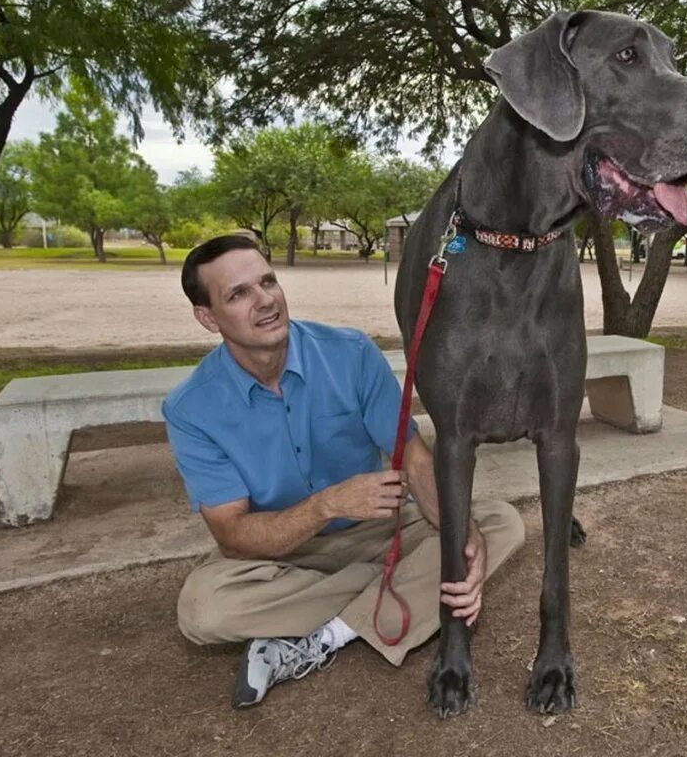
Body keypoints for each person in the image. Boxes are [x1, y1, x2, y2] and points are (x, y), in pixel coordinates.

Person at [162, 234, 525, 708]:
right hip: (282, 556)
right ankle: (400, 590)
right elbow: (233, 536)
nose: (265, 300)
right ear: (207, 317)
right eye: (238, 294)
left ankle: (323, 636)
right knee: (202, 609)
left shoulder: (350, 353)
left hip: (381, 529)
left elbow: (413, 460)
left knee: (499, 524)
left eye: (267, 281)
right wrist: (328, 503)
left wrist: (461, 532)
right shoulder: (191, 409)